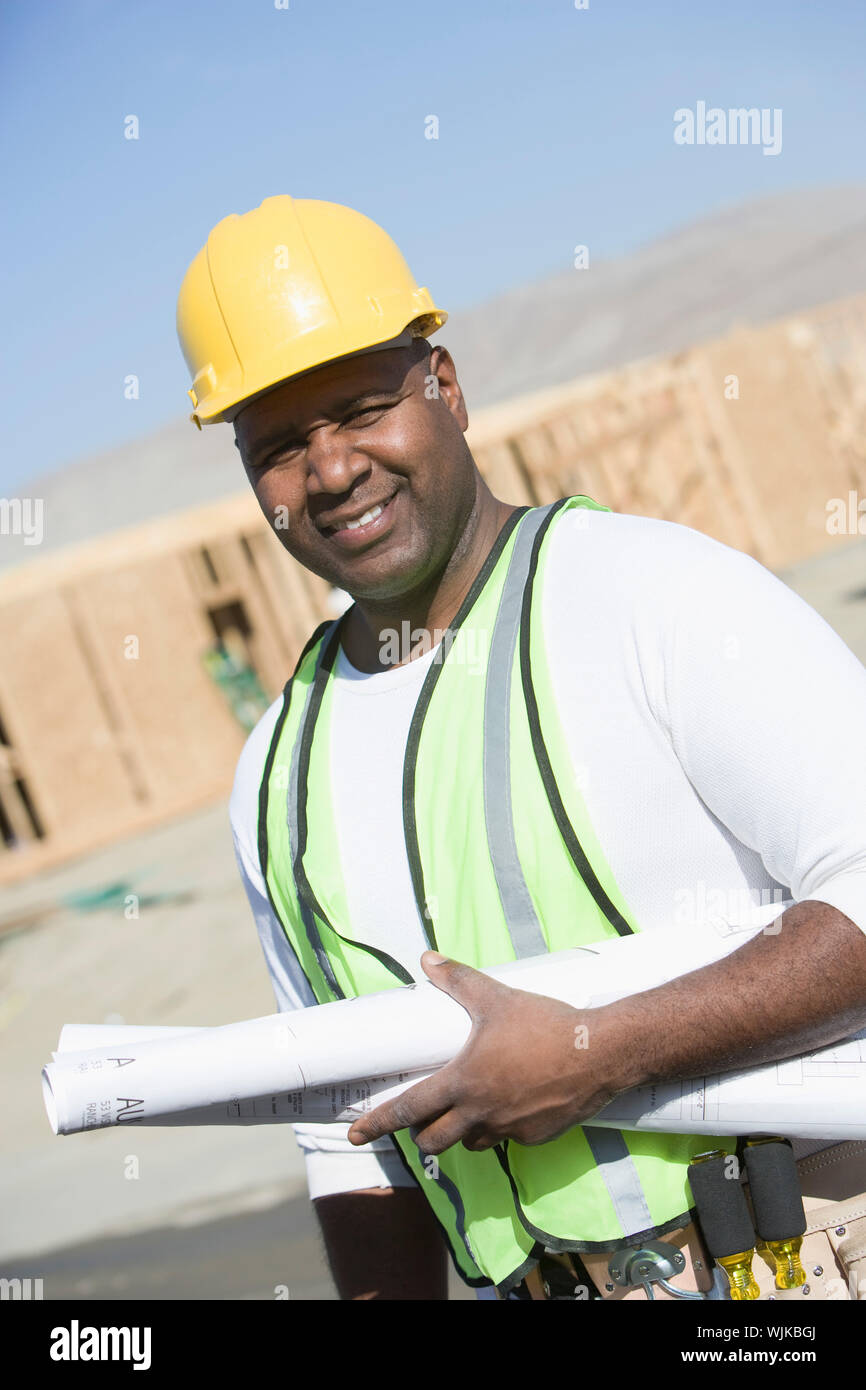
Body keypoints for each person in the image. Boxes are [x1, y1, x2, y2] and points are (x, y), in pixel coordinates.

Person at [177, 194, 866, 1301]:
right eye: (280, 448)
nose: (332, 470)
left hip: (789, 1264)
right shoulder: (274, 777)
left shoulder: (646, 592)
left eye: (360, 409)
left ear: (442, 388)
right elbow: (341, 1136)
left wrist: (601, 1049)